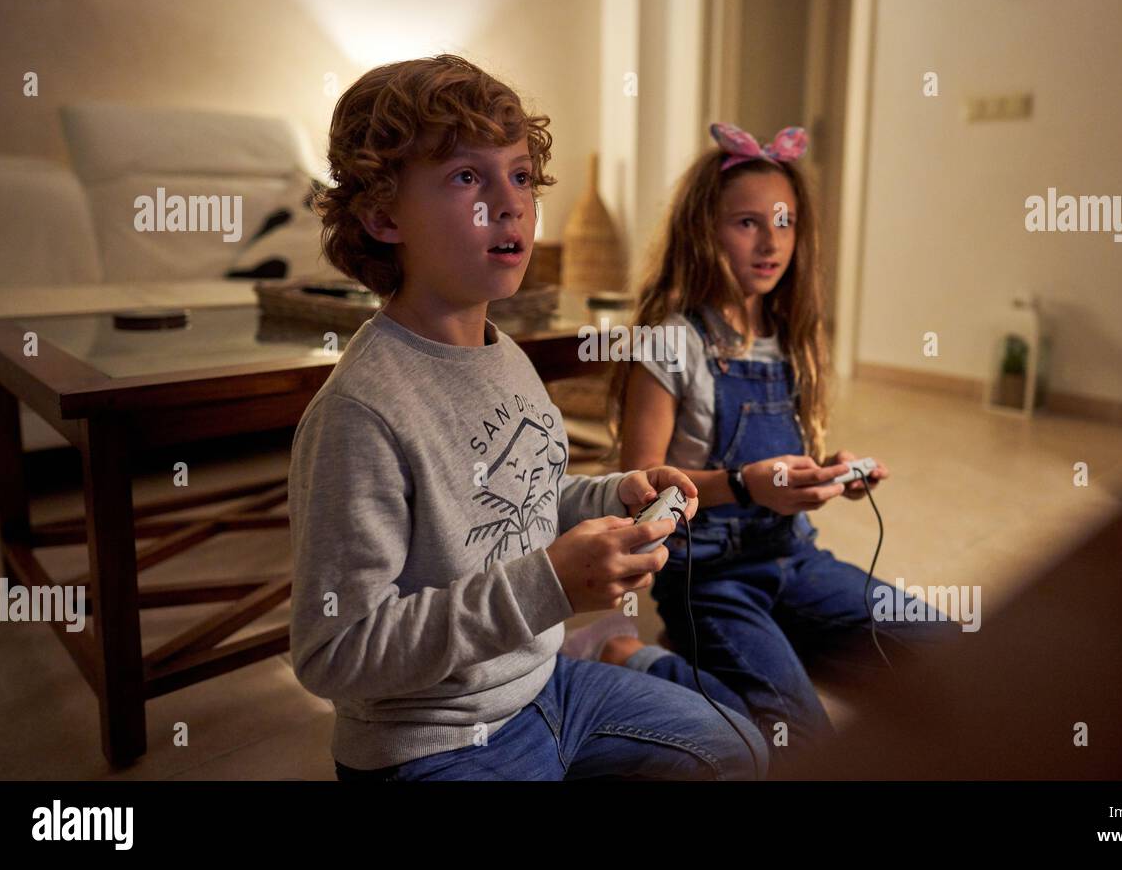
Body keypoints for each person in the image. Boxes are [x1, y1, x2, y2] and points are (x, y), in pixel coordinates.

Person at [288, 57, 765, 781]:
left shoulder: (503, 353)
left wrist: (616, 494)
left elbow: (522, 496)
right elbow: (335, 653)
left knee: (742, 751)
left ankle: (609, 664)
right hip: (431, 741)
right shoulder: (361, 413)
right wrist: (545, 586)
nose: (510, 204)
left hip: (545, 689)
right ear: (384, 216)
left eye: (519, 176)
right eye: (466, 177)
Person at [609, 123, 959, 773]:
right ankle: (642, 662)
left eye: (784, 222)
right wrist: (742, 483)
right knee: (800, 746)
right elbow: (637, 493)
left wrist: (829, 475)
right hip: (709, 582)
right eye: (747, 223)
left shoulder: (793, 338)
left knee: (957, 660)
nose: (771, 242)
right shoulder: (670, 343)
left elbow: (787, 470)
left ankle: (783, 646)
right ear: (703, 230)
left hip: (797, 563)